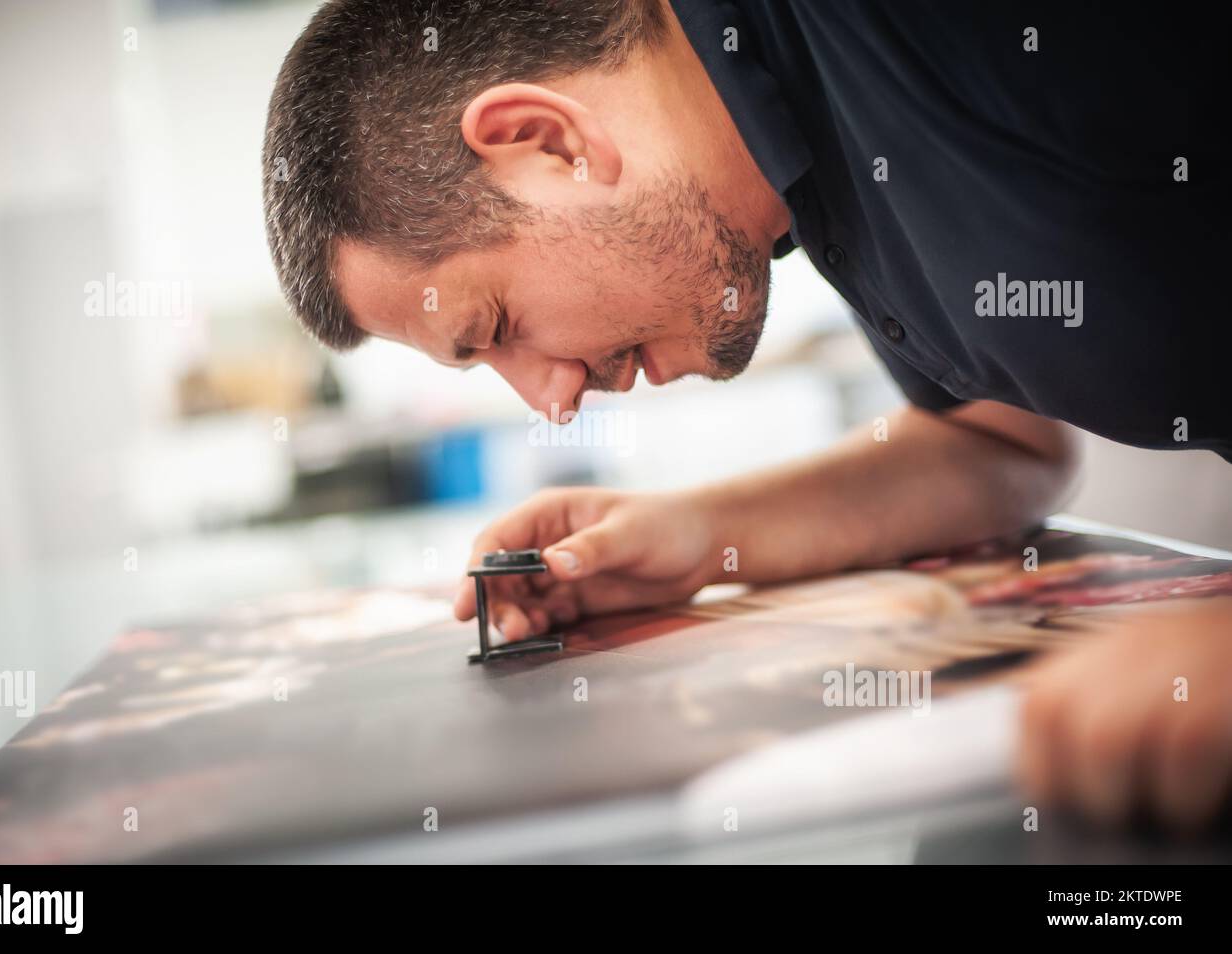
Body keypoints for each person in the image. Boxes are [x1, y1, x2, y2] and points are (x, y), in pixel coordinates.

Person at [261, 1, 1229, 828]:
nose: (551, 402)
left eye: (497, 326)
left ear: (546, 140)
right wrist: (703, 537)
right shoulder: (799, 186)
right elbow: (1005, 445)